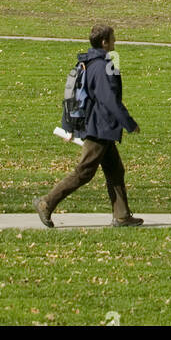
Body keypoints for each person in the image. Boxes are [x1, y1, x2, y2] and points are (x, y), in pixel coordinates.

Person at [34, 23, 142, 228]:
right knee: (84, 172)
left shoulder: (90, 63)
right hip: (99, 128)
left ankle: (122, 216)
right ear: (104, 42)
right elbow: (109, 100)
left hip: (100, 127)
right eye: (112, 38)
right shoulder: (101, 67)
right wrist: (129, 123)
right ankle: (46, 203)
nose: (115, 41)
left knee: (116, 171)